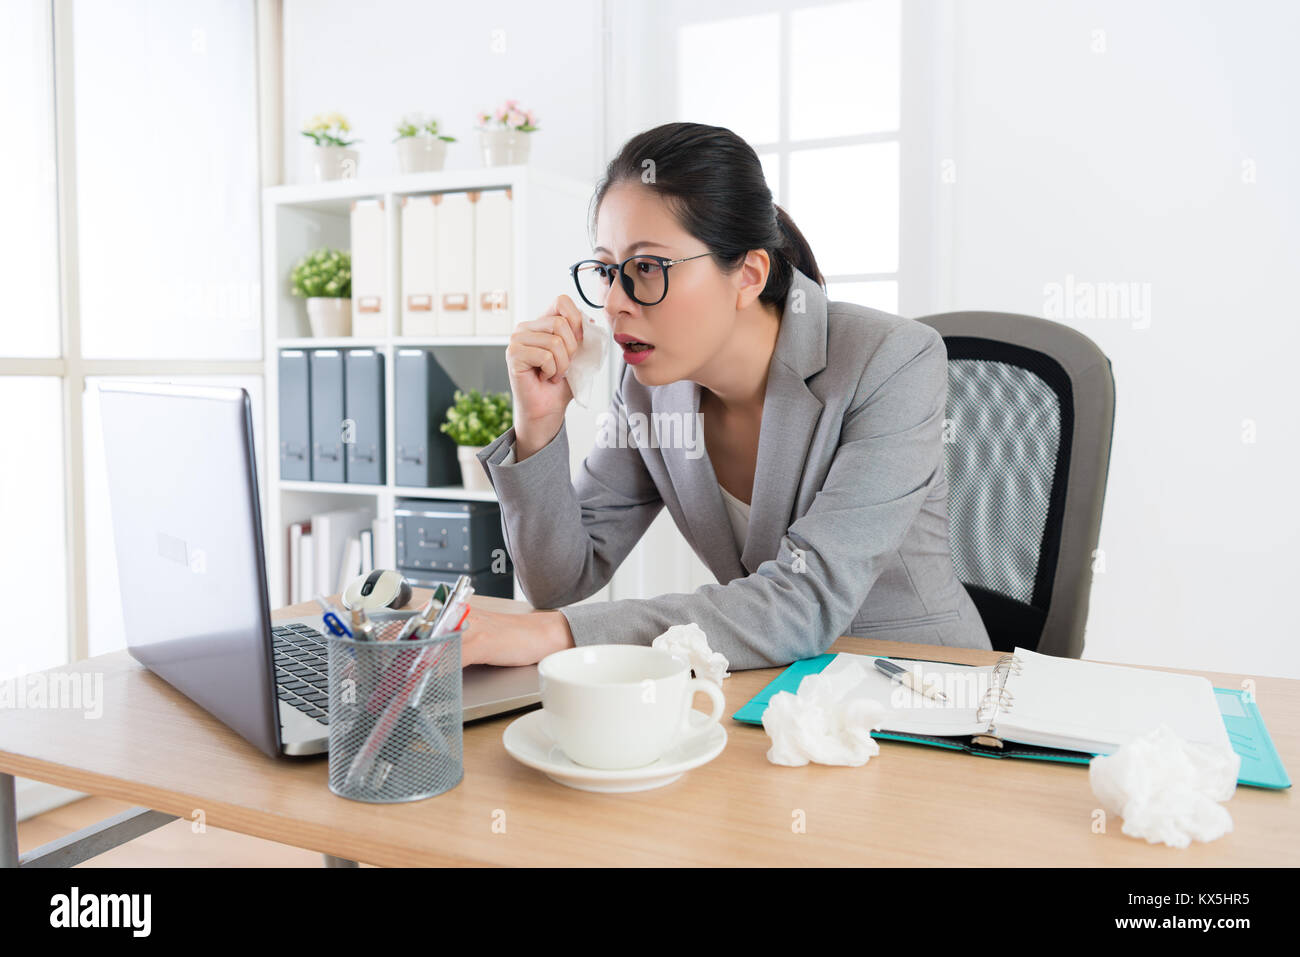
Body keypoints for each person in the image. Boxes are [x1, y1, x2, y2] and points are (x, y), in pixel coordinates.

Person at [458, 121, 992, 670]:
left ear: (748, 275)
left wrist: (553, 637)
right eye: (606, 270)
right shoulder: (646, 390)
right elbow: (560, 581)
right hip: (770, 689)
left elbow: (803, 604)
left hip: (922, 692)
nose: (614, 302)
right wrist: (538, 424)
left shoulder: (891, 360)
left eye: (646, 268)